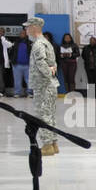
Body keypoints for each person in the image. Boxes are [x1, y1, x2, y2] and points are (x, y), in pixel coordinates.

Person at [26, 17, 59, 156]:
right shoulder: (46, 42)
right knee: (50, 115)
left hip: (43, 85)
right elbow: (53, 63)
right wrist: (51, 71)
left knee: (43, 115)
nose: (26, 30)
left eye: (28, 27)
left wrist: (47, 74)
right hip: (50, 84)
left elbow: (41, 63)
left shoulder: (38, 44)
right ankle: (53, 143)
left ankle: (47, 145)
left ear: (34, 27)